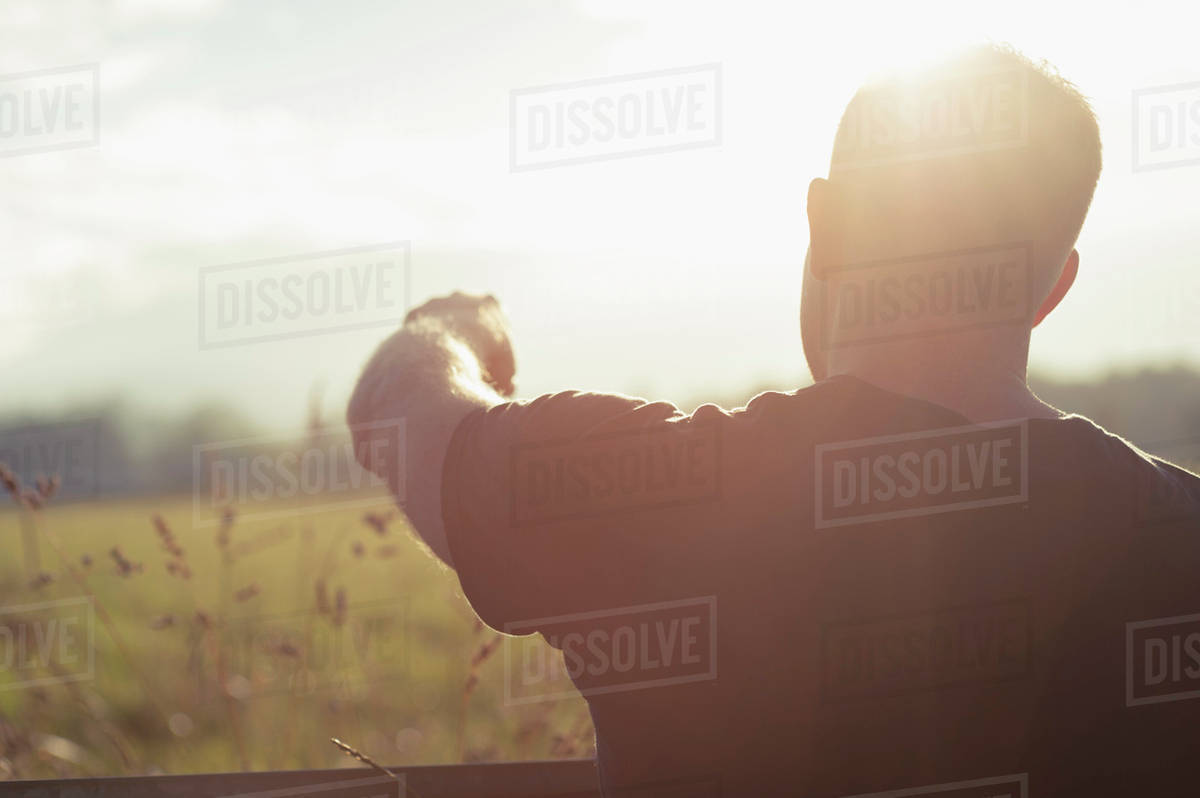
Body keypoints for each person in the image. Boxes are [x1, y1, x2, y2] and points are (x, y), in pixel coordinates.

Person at [348, 44, 1200, 797]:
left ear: (825, 227)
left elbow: (399, 404)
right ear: (1054, 287)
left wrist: (457, 330)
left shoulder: (651, 498)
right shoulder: (1179, 537)